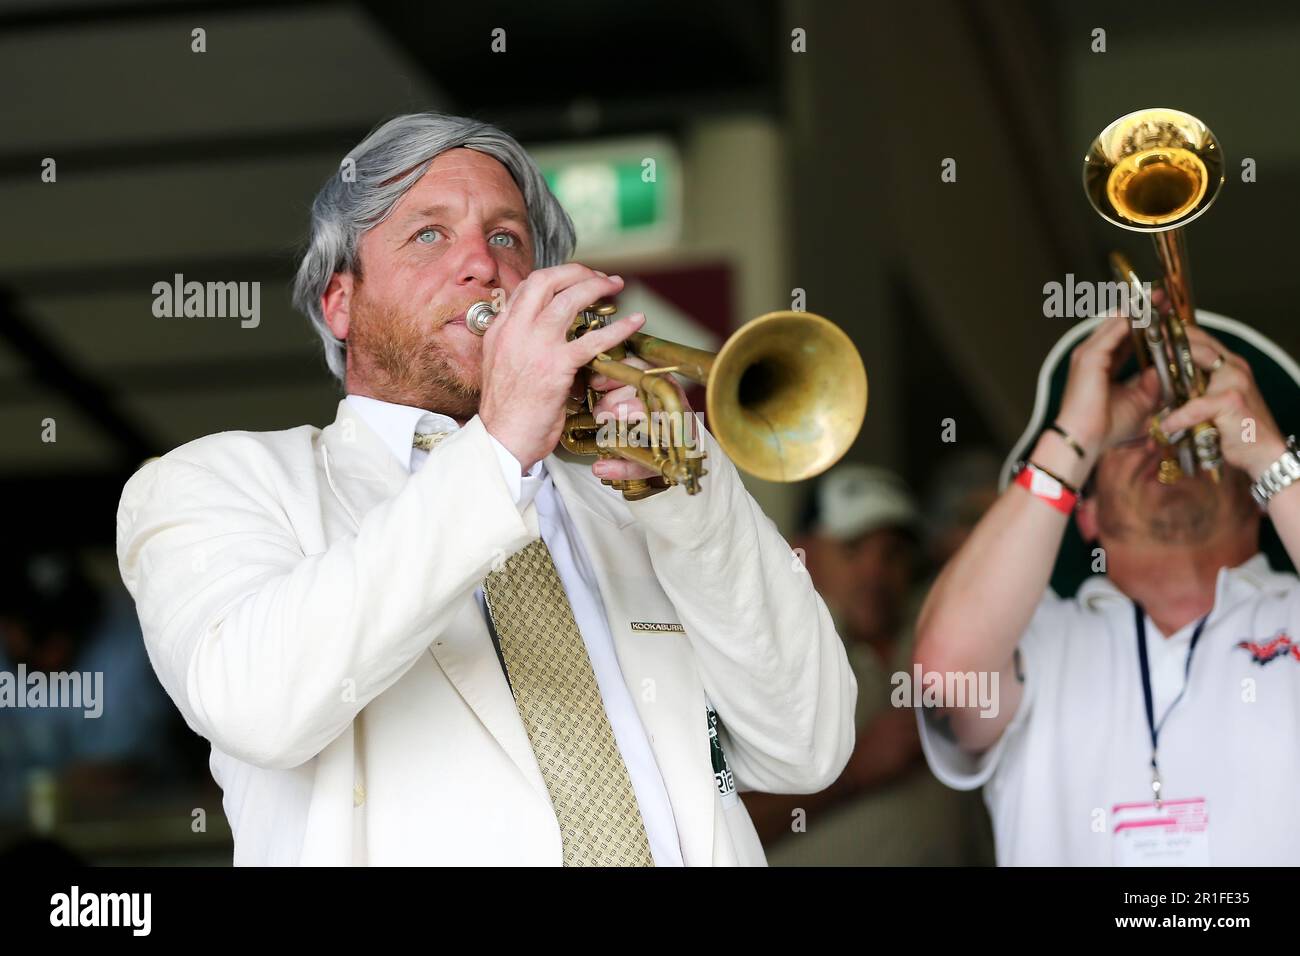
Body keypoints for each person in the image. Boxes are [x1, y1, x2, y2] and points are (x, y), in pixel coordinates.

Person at [114, 112, 856, 866]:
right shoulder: (215, 483)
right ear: (340, 301)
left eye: (507, 238)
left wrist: (695, 510)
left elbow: (808, 747)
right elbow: (258, 703)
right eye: (428, 235)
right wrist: (498, 447)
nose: (480, 264)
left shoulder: (640, 496)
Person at [913, 310, 1300, 865]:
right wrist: (1077, 436)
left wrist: (1267, 452)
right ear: (1084, 511)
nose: (1165, 434)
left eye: (1195, 417)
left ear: (1255, 494)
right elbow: (948, 681)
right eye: (1133, 431)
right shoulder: (1040, 638)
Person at [746, 465, 991, 865]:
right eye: (853, 548)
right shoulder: (765, 659)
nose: (875, 572)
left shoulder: (939, 637)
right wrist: (853, 772)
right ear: (800, 552)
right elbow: (720, 829)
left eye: (892, 553)